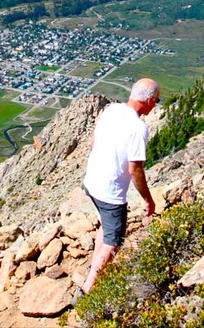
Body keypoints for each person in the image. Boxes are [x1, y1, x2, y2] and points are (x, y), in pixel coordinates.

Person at [81, 78, 159, 293]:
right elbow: (135, 169)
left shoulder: (112, 110)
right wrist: (148, 199)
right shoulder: (138, 128)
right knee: (113, 241)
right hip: (111, 193)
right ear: (149, 100)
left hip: (92, 181)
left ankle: (94, 267)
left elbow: (93, 142)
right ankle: (88, 289)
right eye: (156, 101)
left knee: (106, 227)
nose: (155, 105)